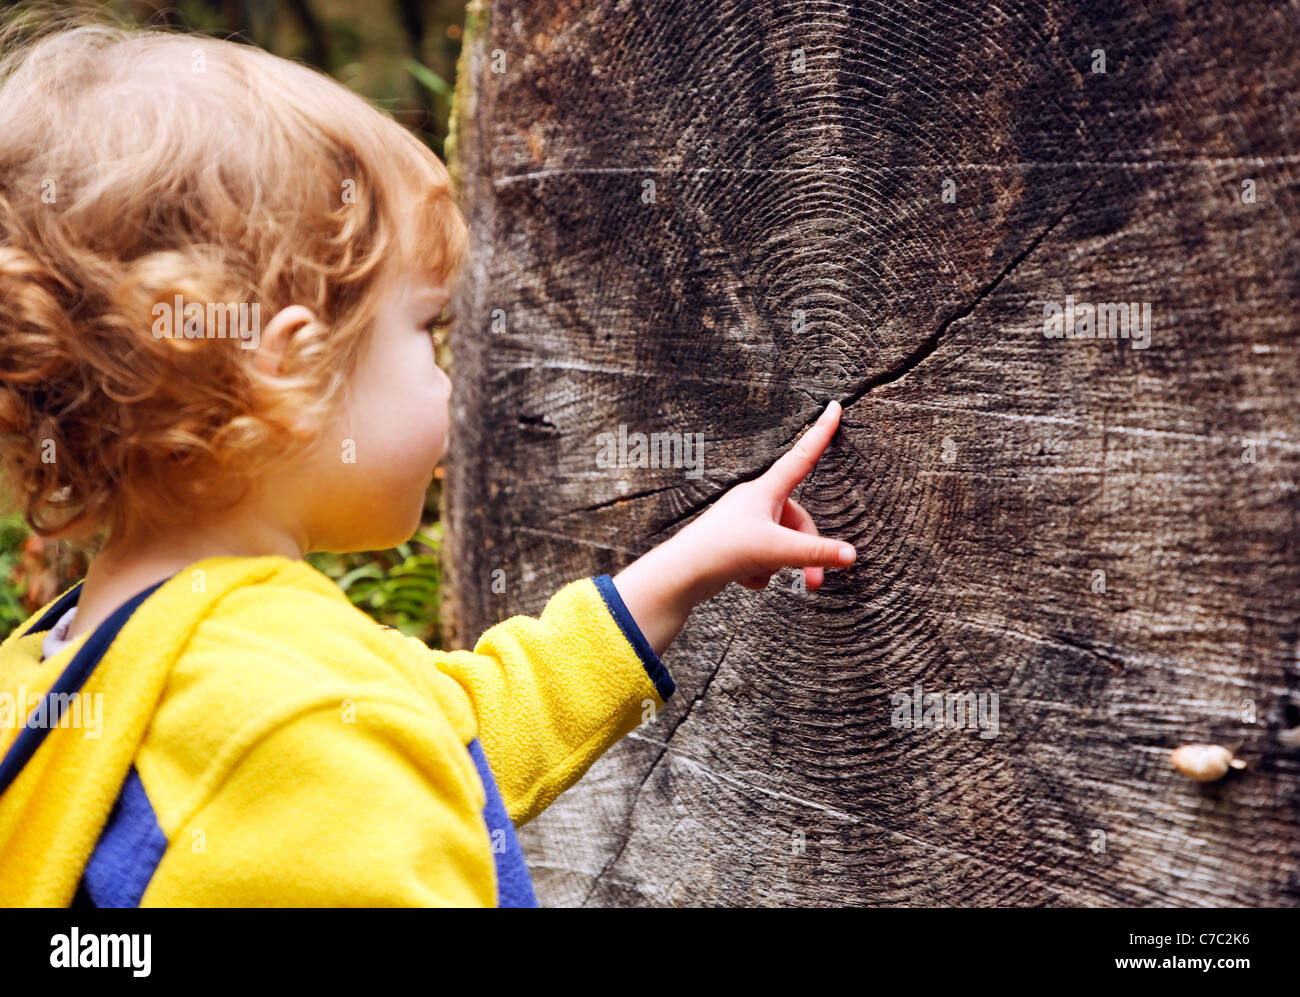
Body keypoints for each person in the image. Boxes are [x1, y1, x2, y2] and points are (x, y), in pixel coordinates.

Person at [0, 18, 856, 906]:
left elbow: (454, 725)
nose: (447, 382)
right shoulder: (287, 744)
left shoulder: (79, 675)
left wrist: (686, 565)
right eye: (425, 332)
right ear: (289, 369)